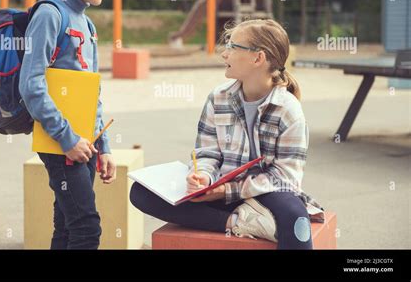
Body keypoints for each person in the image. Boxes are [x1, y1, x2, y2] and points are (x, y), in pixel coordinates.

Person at [130, 19, 325, 249]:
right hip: (221, 191)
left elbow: (287, 179)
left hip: (266, 192)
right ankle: (239, 222)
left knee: (297, 220)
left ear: (258, 58)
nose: (225, 54)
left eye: (233, 47)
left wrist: (226, 191)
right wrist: (203, 176)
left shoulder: (288, 109)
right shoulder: (218, 97)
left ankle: (242, 217)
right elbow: (207, 152)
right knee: (141, 192)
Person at [19, 0, 118, 249]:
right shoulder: (50, 15)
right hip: (61, 141)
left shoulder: (87, 24)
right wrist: (67, 138)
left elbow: (93, 92)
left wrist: (104, 146)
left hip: (84, 142)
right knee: (87, 229)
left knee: (65, 226)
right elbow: (31, 85)